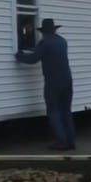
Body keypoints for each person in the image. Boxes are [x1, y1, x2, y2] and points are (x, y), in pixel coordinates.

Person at [15, 18, 75, 151]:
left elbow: (34, 59)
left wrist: (19, 57)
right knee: (66, 111)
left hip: (53, 82)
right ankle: (70, 141)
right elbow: (46, 53)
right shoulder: (62, 41)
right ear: (54, 29)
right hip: (67, 80)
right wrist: (37, 49)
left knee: (53, 111)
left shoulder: (45, 42)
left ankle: (61, 142)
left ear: (43, 32)